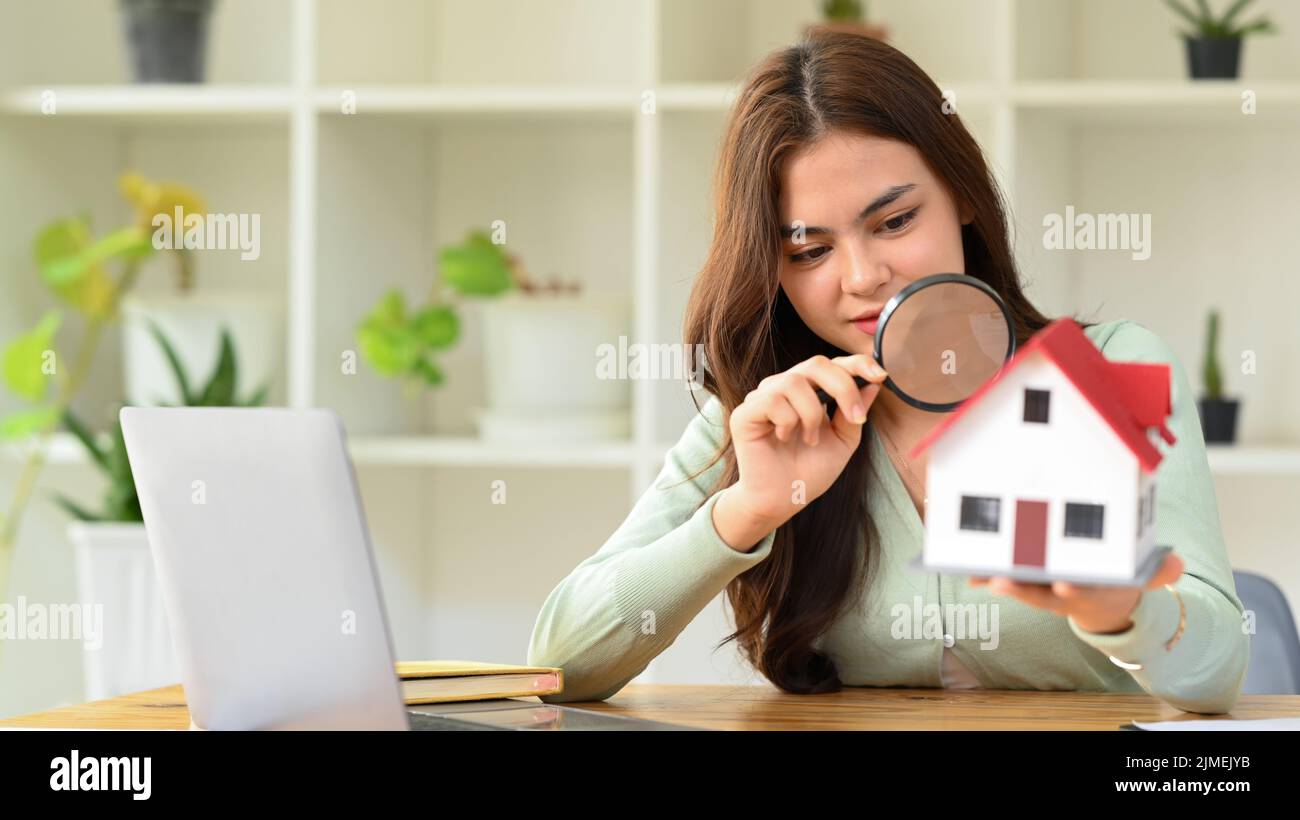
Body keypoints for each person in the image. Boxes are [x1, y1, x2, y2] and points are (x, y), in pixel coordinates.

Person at [527, 31, 1247, 714]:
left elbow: (1214, 676)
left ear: (962, 195)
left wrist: (1121, 608)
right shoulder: (766, 412)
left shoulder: (1108, 369)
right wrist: (749, 510)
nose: (864, 277)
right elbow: (560, 663)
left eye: (895, 222)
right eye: (810, 251)